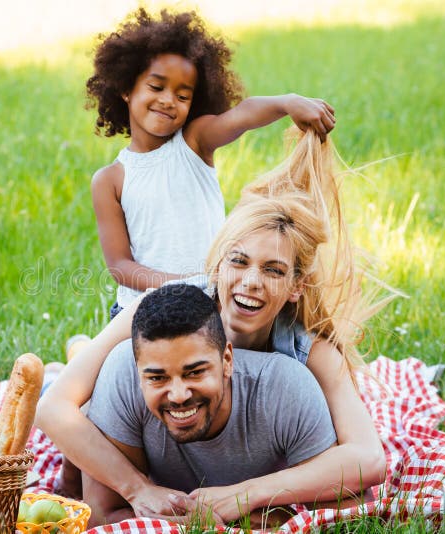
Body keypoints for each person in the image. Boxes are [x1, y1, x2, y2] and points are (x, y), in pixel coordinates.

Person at [37, 128, 391, 524]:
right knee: (85, 407)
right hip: (146, 421)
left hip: (233, 456)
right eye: (238, 262)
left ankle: (76, 354)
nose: (251, 281)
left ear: (296, 287)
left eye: (273, 270)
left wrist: (249, 492)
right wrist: (139, 488)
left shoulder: (308, 354)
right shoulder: (170, 307)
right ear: (218, 264)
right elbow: (53, 409)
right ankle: (69, 360)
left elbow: (367, 457)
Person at [87, 8, 335, 318]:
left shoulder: (194, 141)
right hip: (141, 312)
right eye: (156, 87)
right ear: (126, 88)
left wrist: (286, 102)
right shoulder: (109, 180)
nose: (168, 100)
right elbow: (121, 266)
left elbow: (242, 115)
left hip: (213, 306)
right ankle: (70, 361)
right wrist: (185, 286)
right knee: (112, 365)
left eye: (183, 95)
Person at [83, 284, 338, 527]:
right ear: (137, 373)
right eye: (157, 378)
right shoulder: (122, 373)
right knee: (78, 433)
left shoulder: (285, 388)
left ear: (227, 359)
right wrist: (205, 523)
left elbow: (347, 507)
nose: (179, 395)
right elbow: (101, 516)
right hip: (108, 408)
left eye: (194, 372)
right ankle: (70, 358)